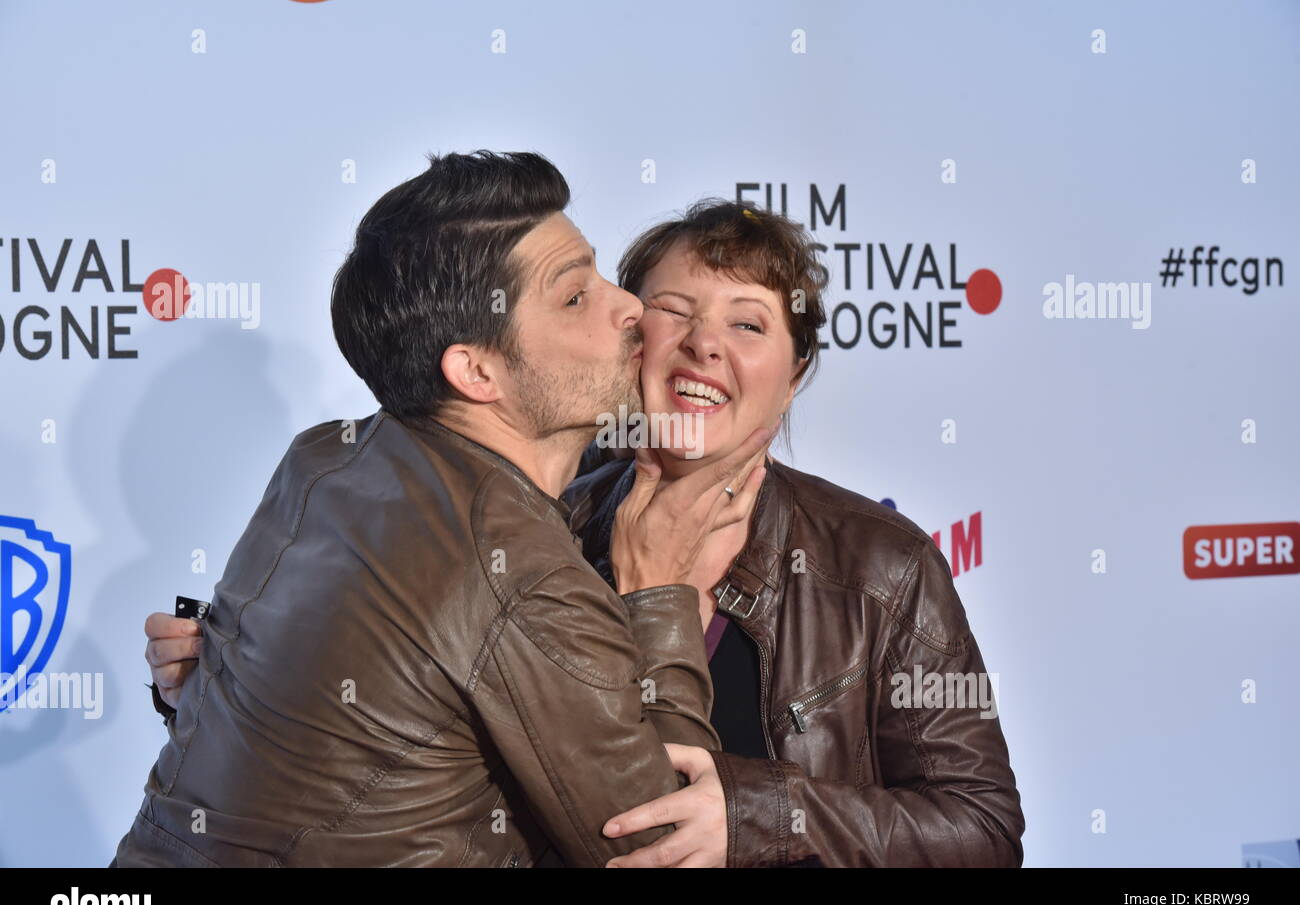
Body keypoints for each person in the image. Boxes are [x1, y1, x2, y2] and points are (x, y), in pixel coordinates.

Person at [142, 196, 1026, 868]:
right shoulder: (532, 522)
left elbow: (982, 827)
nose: (702, 345)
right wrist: (246, 679)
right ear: (629, 337)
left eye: (749, 324)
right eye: (673, 310)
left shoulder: (882, 565)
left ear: (793, 378)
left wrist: (756, 813)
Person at [113, 150, 769, 868]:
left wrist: (201, 685)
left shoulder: (327, 457)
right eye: (575, 297)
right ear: (476, 370)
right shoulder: (524, 574)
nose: (631, 307)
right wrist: (659, 590)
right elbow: (667, 840)